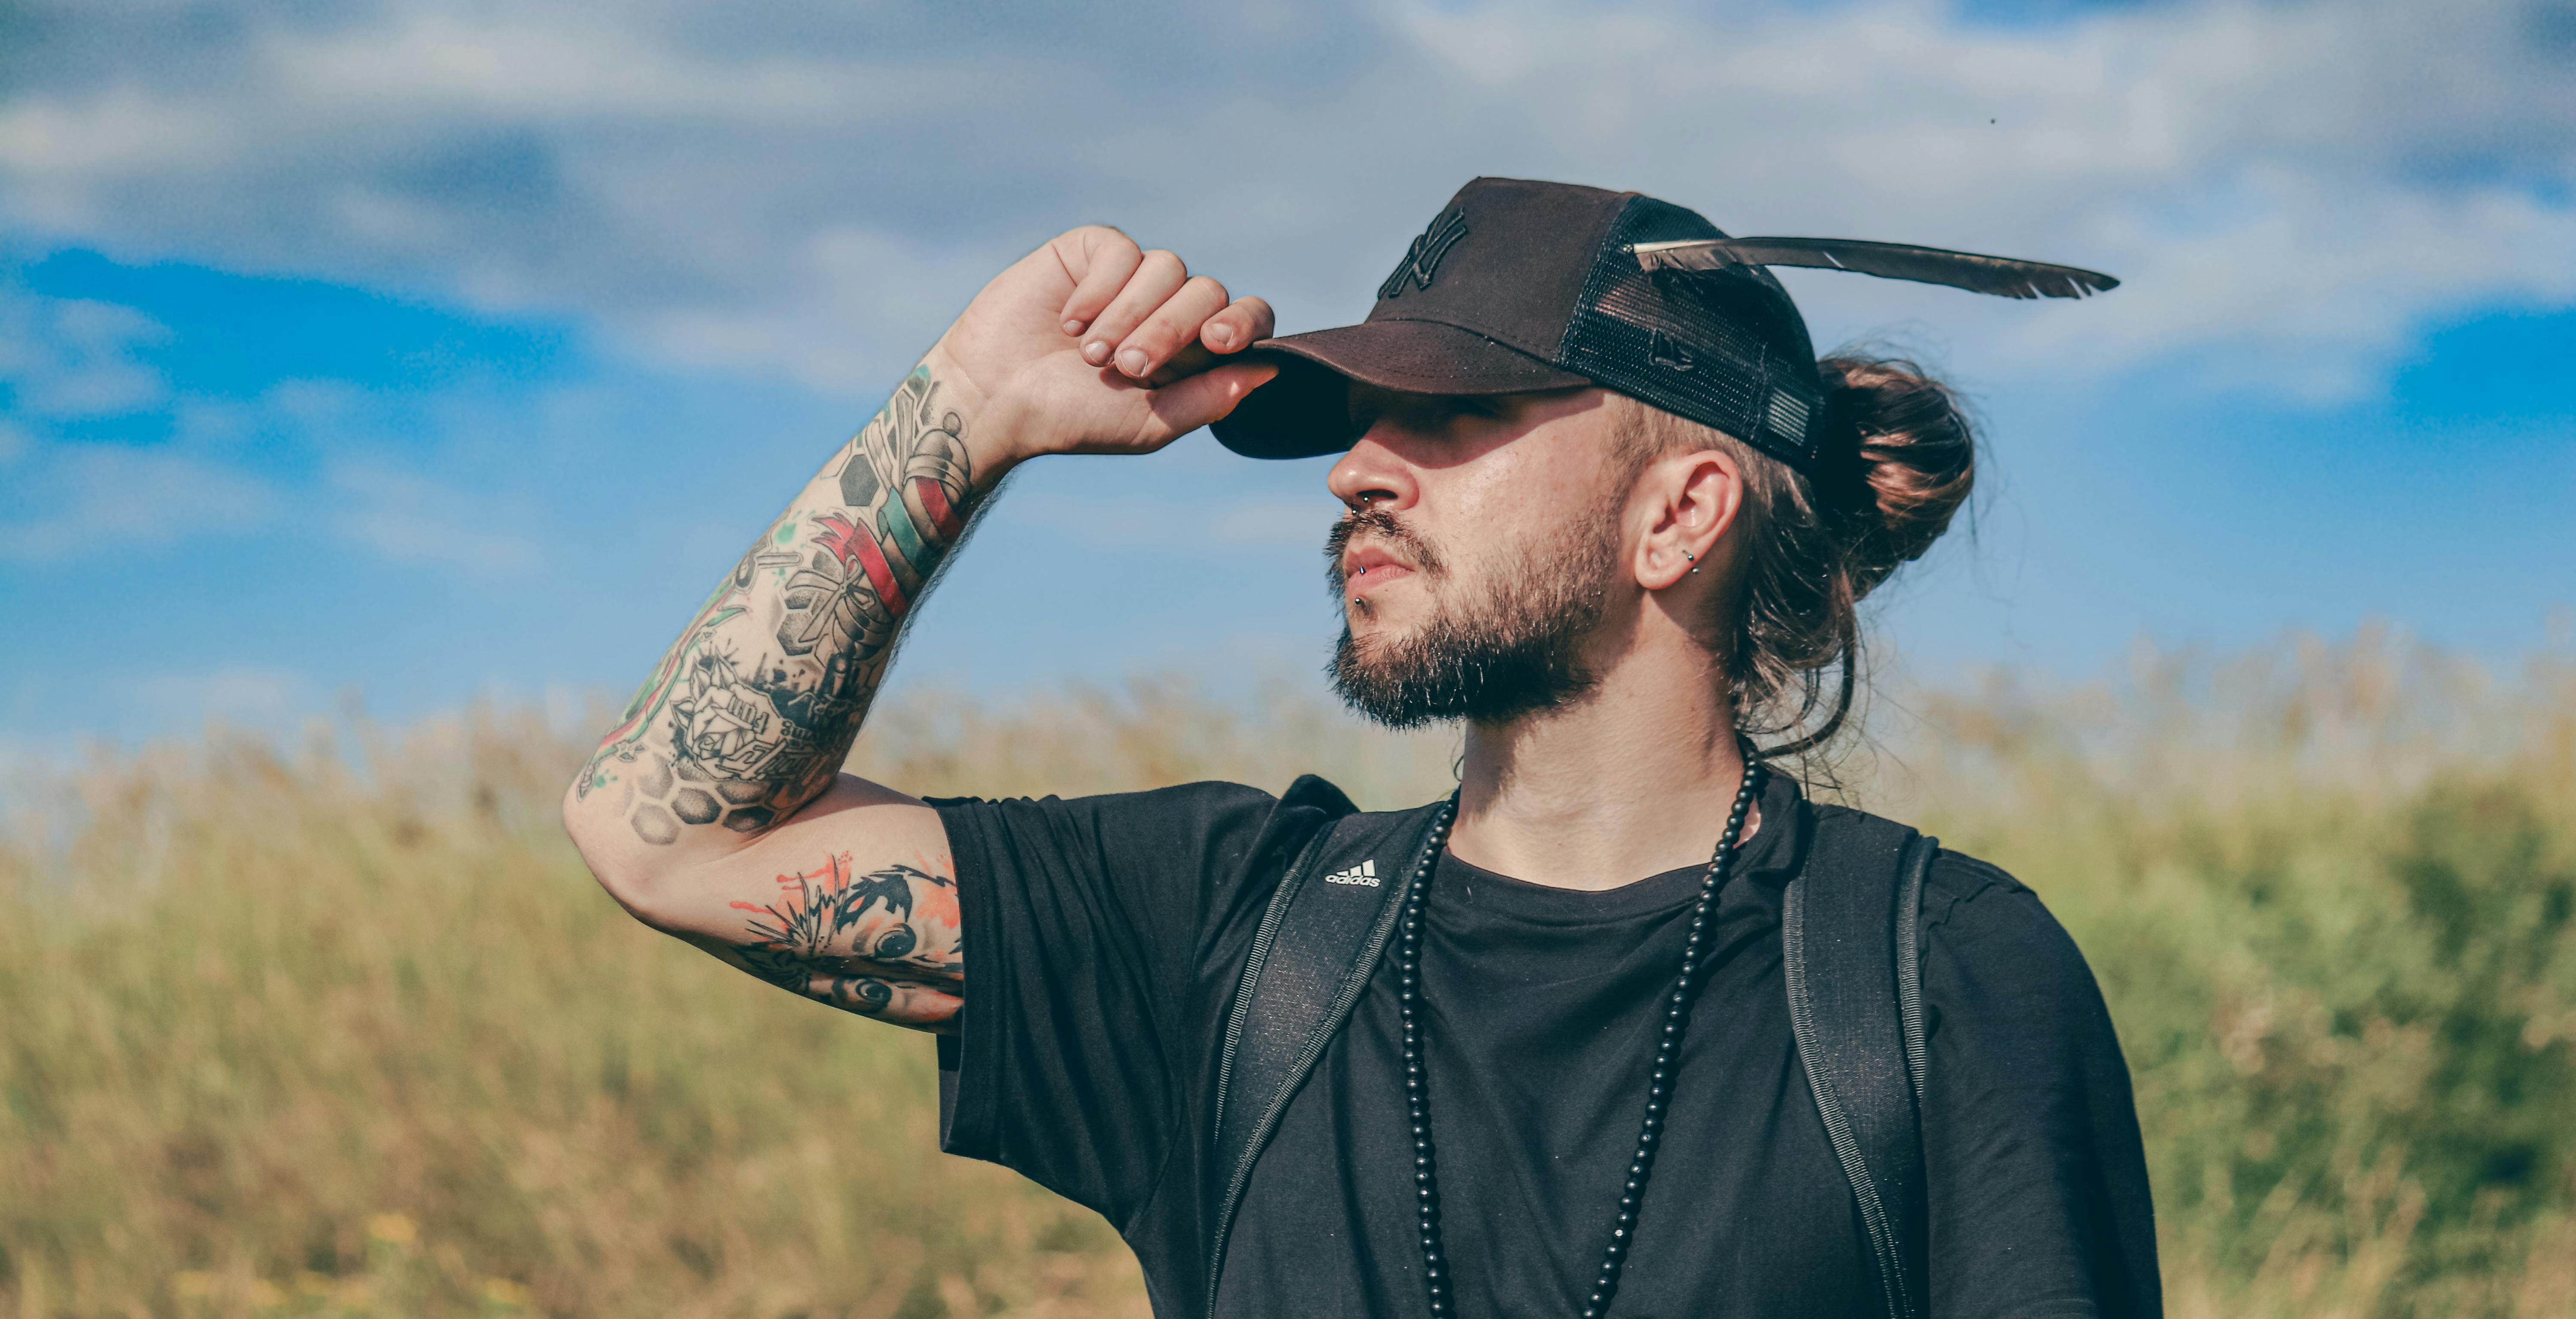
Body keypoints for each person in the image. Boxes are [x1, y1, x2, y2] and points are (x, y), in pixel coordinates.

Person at [564, 178, 2162, 1319]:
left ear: (1679, 515)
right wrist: (970, 407)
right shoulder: (1230, 930)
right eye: (1357, 418)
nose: (1356, 471)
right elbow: (667, 837)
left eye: (1455, 417)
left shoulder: (1931, 975)